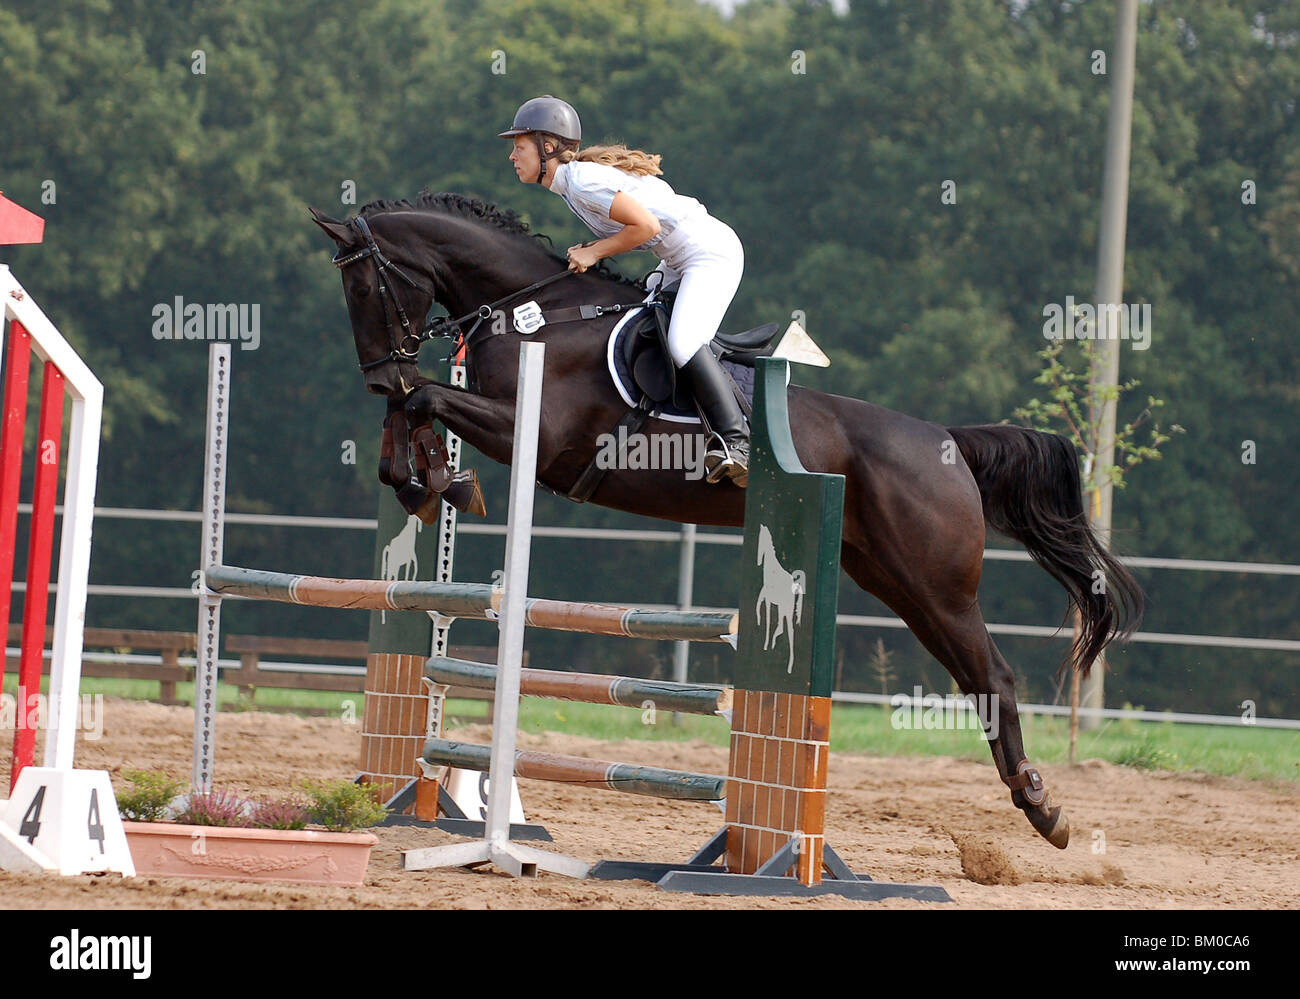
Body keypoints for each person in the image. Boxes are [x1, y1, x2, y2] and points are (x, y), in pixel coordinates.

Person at [500, 95, 749, 486]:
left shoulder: (581, 181)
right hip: (677, 259)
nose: (513, 157)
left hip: (708, 254)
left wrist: (593, 252)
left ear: (547, 147)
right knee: (640, 317)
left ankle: (737, 441)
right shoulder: (570, 184)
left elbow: (646, 227)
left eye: (519, 147)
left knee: (683, 343)